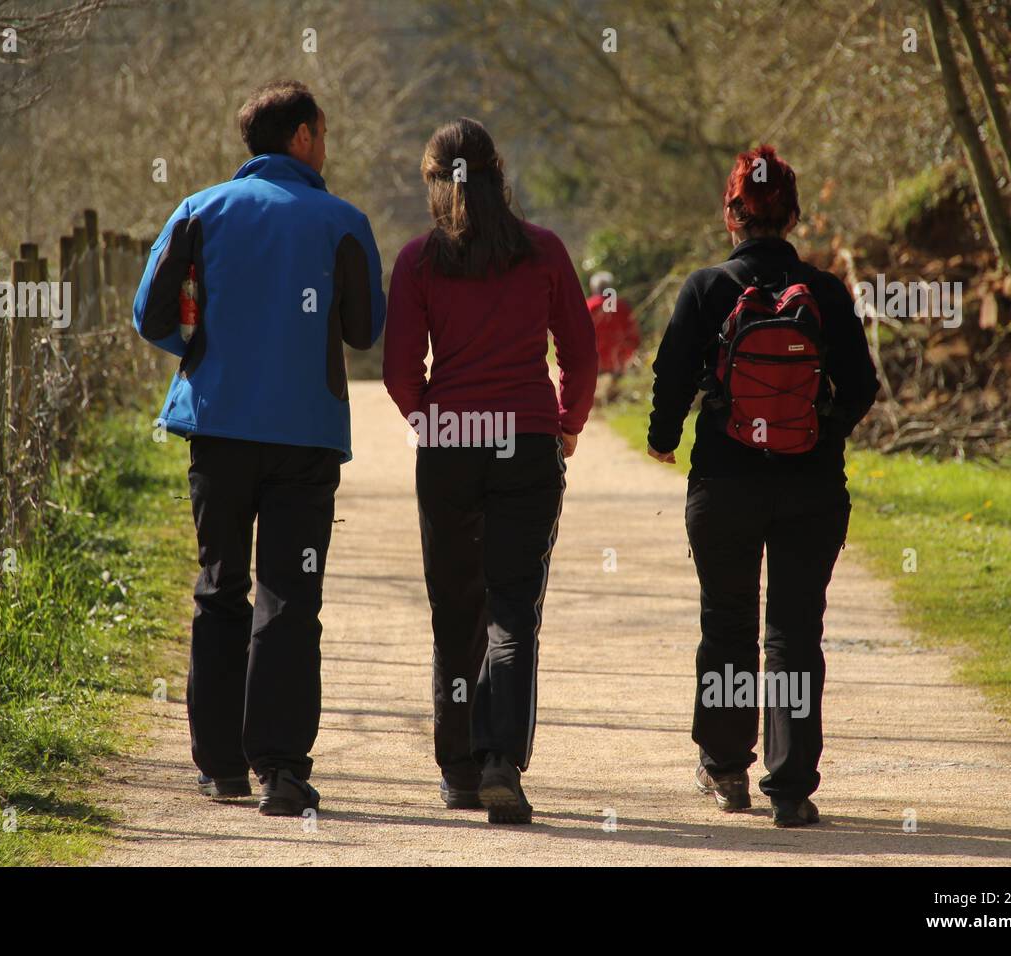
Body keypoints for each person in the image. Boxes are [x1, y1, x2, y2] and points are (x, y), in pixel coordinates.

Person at [133, 80, 385, 817]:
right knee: (290, 595)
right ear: (303, 137)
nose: (327, 147)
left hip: (218, 429)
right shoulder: (342, 221)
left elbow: (149, 314)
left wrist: (201, 349)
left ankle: (218, 767)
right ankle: (279, 768)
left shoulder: (198, 210)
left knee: (219, 586)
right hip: (304, 437)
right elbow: (364, 331)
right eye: (325, 134)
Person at [646, 144, 877, 828]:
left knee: (727, 627)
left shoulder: (706, 289)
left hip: (725, 483)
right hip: (810, 488)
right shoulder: (827, 292)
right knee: (796, 633)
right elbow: (861, 388)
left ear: (731, 215)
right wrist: (820, 432)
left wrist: (664, 440)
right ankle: (792, 785)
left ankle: (725, 769)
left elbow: (670, 379)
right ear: (795, 216)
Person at [383, 118, 597, 824]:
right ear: (499, 174)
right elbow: (580, 351)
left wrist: (433, 421)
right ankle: (501, 757)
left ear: (436, 184)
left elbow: (398, 370)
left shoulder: (419, 260)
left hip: (451, 443)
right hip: (526, 443)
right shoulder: (543, 251)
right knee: (512, 608)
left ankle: (458, 770)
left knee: (455, 611)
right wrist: (566, 423)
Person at [586, 270, 640, 402]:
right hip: (618, 361)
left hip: (593, 361)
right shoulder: (622, 306)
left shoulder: (588, 306)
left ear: (594, 288)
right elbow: (632, 333)